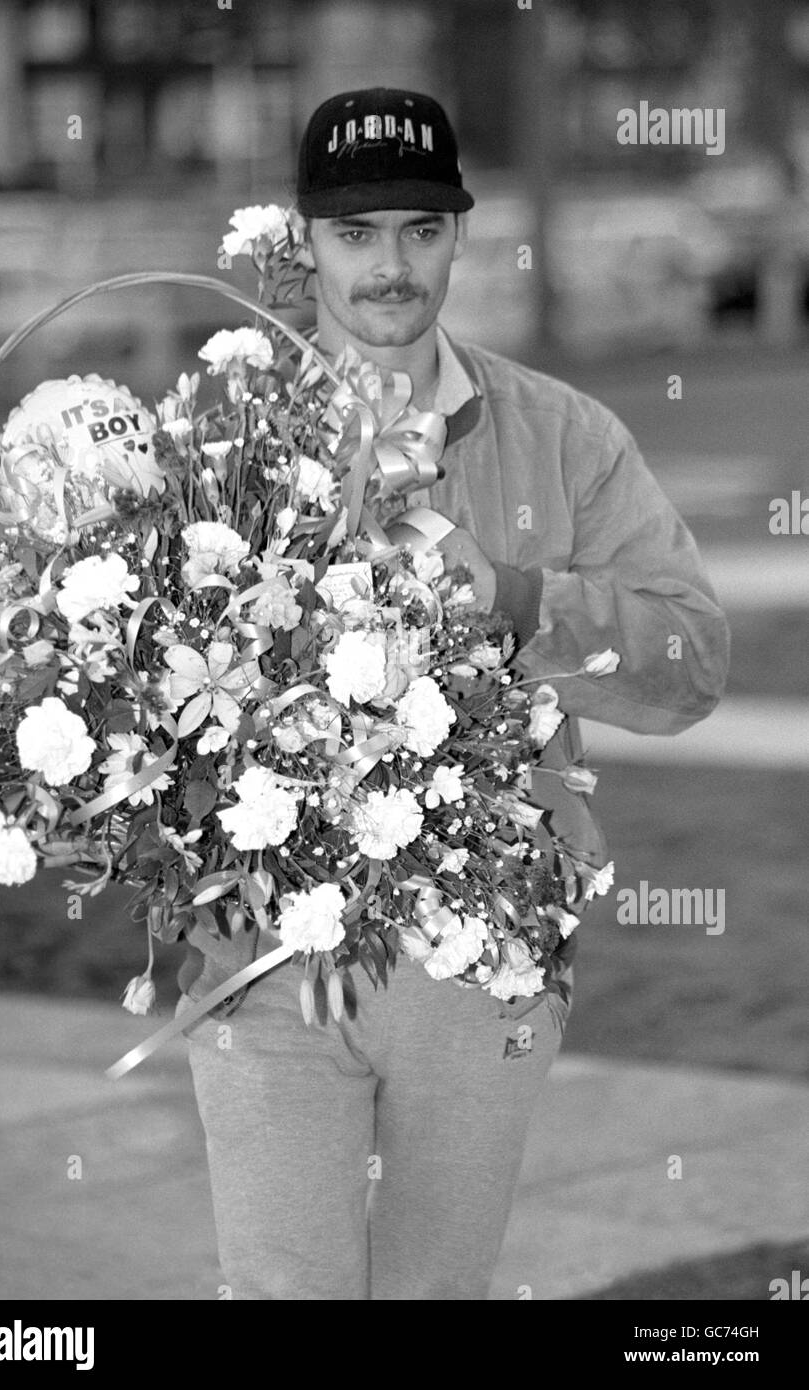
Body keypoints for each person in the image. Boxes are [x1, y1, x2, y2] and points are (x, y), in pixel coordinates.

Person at [179, 88, 730, 1300]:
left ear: (461, 234)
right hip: (258, 954)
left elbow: (689, 661)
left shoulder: (562, 435)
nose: (391, 266)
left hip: (483, 960)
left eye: (421, 230)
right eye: (357, 232)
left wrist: (522, 599)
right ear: (303, 243)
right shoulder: (214, 438)